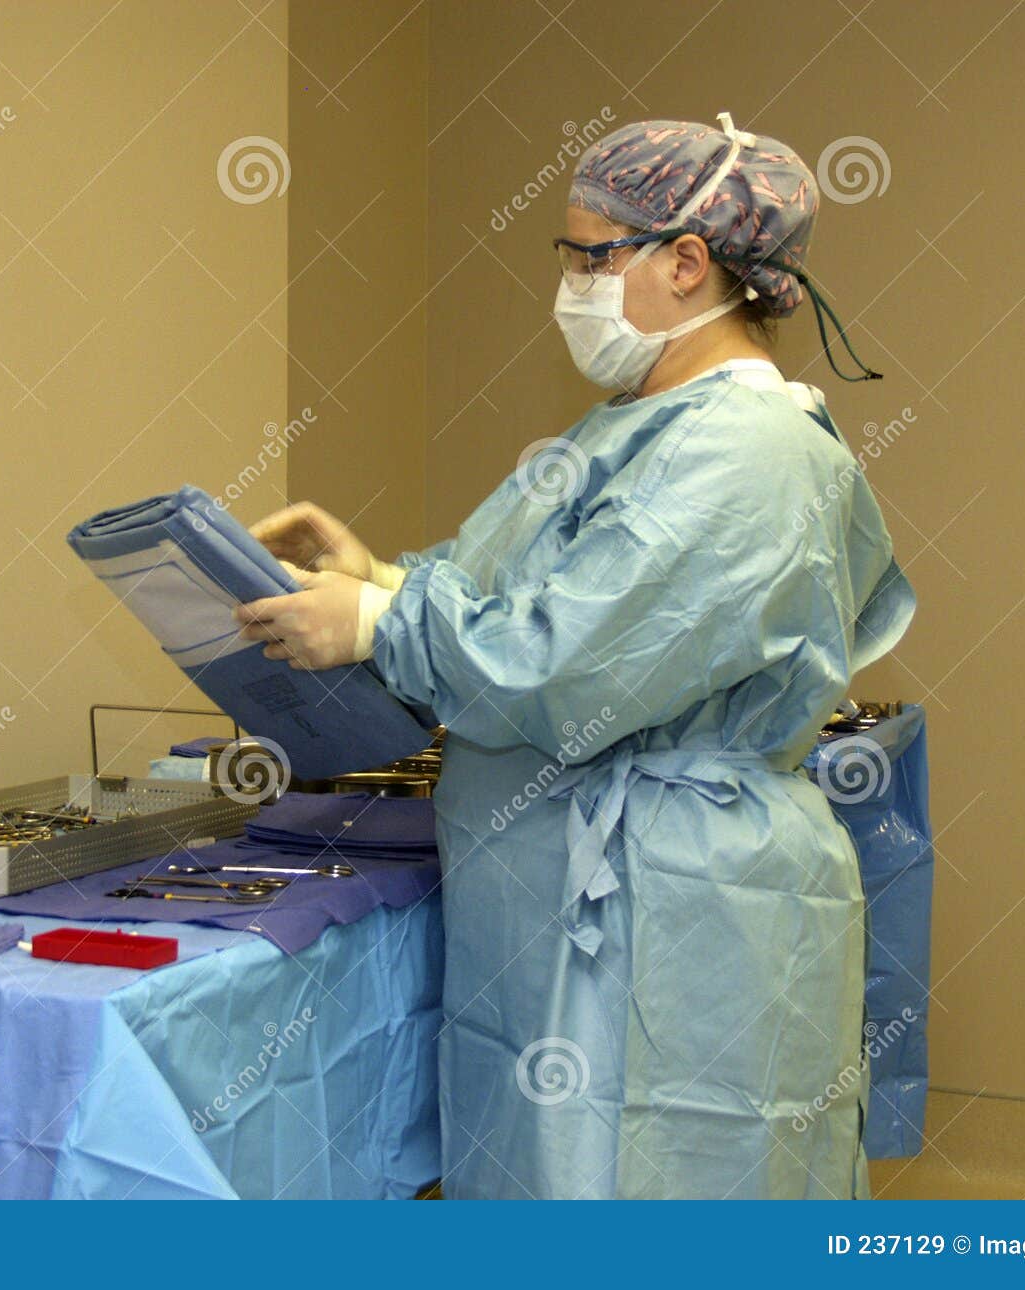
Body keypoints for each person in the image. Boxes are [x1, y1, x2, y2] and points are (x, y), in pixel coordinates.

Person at [235, 113, 915, 1199]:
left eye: (590, 256)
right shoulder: (633, 424)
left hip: (665, 897)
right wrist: (389, 583)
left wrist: (376, 627)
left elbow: (561, 670)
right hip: (569, 878)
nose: (573, 286)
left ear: (686, 263)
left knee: (653, 1179)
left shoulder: (742, 450)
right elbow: (529, 596)